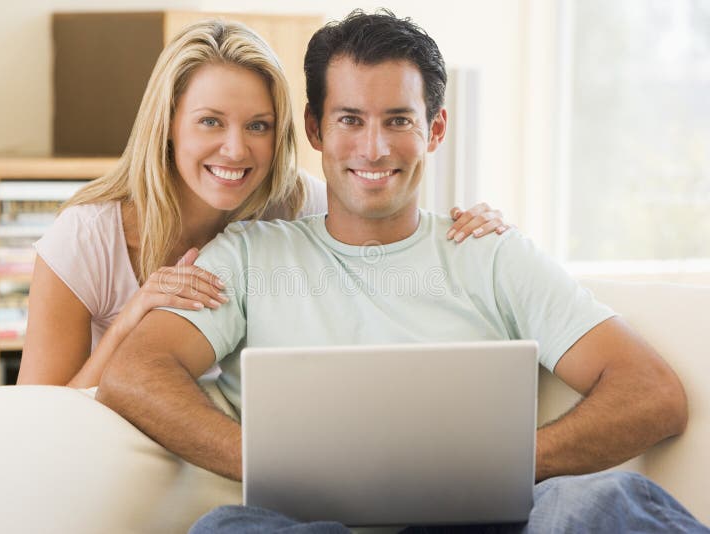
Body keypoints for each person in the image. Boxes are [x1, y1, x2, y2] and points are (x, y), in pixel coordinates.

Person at [96, 10, 704, 532]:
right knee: (230, 528)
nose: (374, 149)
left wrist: (505, 463)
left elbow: (651, 393)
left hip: (484, 522)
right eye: (350, 119)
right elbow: (137, 373)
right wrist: (271, 461)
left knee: (591, 502)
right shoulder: (249, 256)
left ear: (435, 129)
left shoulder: (490, 253)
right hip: (306, 523)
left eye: (398, 120)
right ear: (314, 129)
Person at [16, 19, 510, 389]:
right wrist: (132, 319)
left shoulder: (299, 206)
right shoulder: (87, 238)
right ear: (167, 124)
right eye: (210, 121)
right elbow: (40, 418)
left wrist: (466, 227)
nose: (236, 149)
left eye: (258, 125)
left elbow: (393, 235)